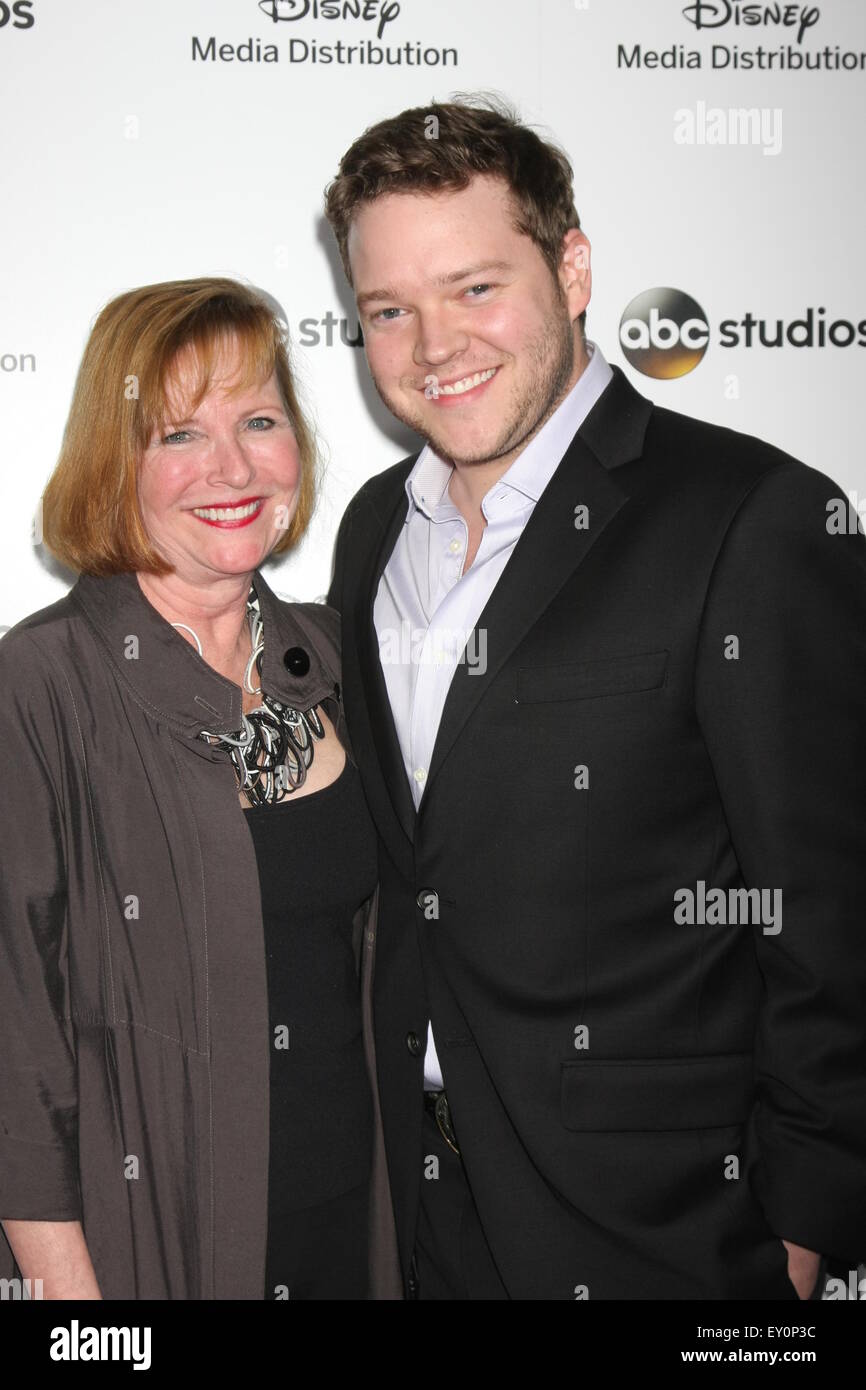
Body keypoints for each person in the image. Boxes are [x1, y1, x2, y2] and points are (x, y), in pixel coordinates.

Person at [323, 96, 866, 1299]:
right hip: (415, 1215)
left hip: (668, 1221)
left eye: (473, 289)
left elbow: (830, 907)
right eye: (388, 311)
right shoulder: (371, 531)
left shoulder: (750, 517)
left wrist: (803, 1217)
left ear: (570, 269)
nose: (432, 347)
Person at [0, 277, 397, 1299]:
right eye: (178, 433)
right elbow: (15, 1040)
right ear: (114, 460)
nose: (231, 468)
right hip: (151, 1249)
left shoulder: (338, 651)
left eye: (258, 420)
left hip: (360, 1229)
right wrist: (75, 1311)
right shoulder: (41, 683)